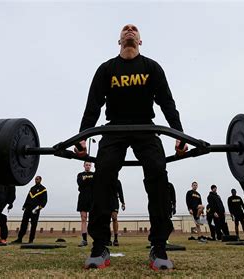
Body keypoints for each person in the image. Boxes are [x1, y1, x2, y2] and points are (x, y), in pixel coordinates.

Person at [74, 24, 187, 270]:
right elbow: (92, 106)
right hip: (114, 129)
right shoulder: (106, 69)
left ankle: (159, 246)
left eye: (134, 29)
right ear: (119, 40)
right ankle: (100, 246)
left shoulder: (152, 67)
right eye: (125, 29)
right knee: (103, 176)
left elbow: (167, 103)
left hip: (145, 128)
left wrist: (179, 134)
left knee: (158, 175)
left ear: (140, 40)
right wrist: (82, 137)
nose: (129, 30)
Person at [12, 176, 48, 244]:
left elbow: (44, 200)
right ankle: (19, 238)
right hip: (28, 208)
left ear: (40, 180)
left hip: (35, 209)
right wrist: (24, 205)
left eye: (37, 179)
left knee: (33, 225)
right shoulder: (32, 188)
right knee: (23, 223)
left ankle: (31, 240)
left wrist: (38, 208)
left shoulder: (43, 189)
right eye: (35, 179)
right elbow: (28, 197)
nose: (36, 180)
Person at [76, 162, 94, 247]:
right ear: (84, 166)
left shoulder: (94, 174)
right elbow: (80, 183)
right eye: (86, 165)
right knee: (83, 218)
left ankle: (95, 239)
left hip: (92, 198)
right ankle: (84, 240)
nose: (88, 166)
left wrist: (86, 181)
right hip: (83, 198)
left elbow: (95, 185)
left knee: (93, 219)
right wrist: (88, 181)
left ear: (91, 166)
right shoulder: (80, 174)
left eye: (89, 165)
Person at [109, 179, 125, 246]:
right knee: (106, 220)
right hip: (105, 202)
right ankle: (108, 239)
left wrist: (123, 202)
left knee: (114, 218)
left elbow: (120, 192)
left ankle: (115, 239)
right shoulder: (104, 180)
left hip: (114, 201)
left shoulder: (117, 181)